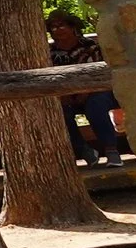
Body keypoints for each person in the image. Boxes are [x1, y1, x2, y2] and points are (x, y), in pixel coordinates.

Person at [47, 11, 126, 166]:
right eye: (53, 27)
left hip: (96, 91)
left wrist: (85, 92)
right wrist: (64, 95)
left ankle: (111, 151)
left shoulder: (91, 47)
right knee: (57, 112)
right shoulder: (49, 53)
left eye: (61, 25)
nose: (57, 30)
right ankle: (84, 150)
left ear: (73, 27)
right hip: (65, 95)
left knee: (95, 106)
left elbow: (99, 74)